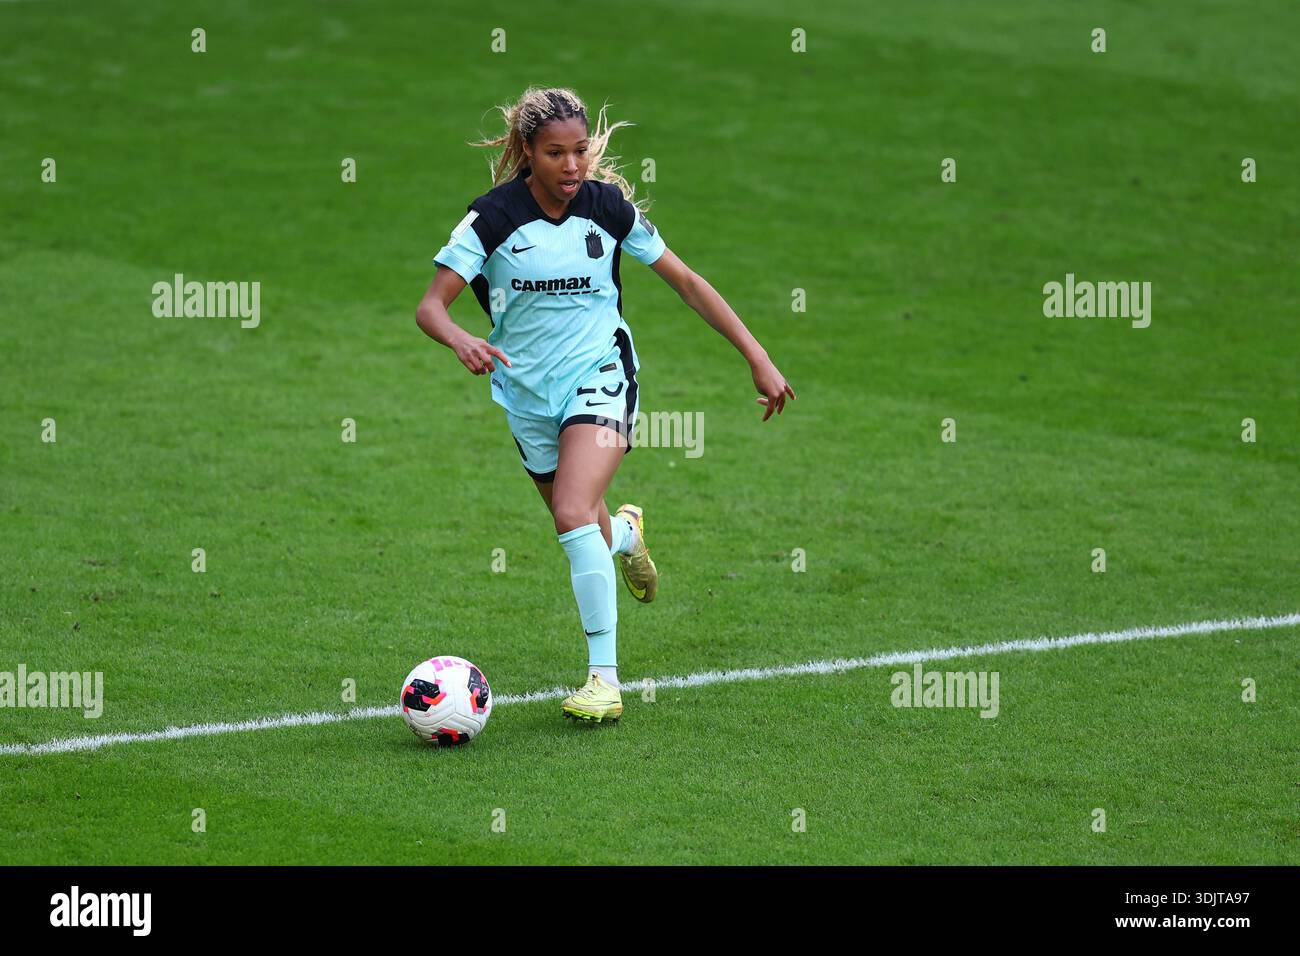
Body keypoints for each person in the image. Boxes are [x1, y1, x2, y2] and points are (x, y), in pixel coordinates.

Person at [415, 87, 794, 724]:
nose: (571, 167)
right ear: (527, 153)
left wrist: (757, 355)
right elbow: (430, 307)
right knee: (582, 524)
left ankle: (604, 681)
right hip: (526, 393)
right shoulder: (491, 220)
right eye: (555, 154)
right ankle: (626, 536)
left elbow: (688, 283)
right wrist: (460, 339)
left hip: (602, 374)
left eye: (580, 151)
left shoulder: (606, 209)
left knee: (569, 509)